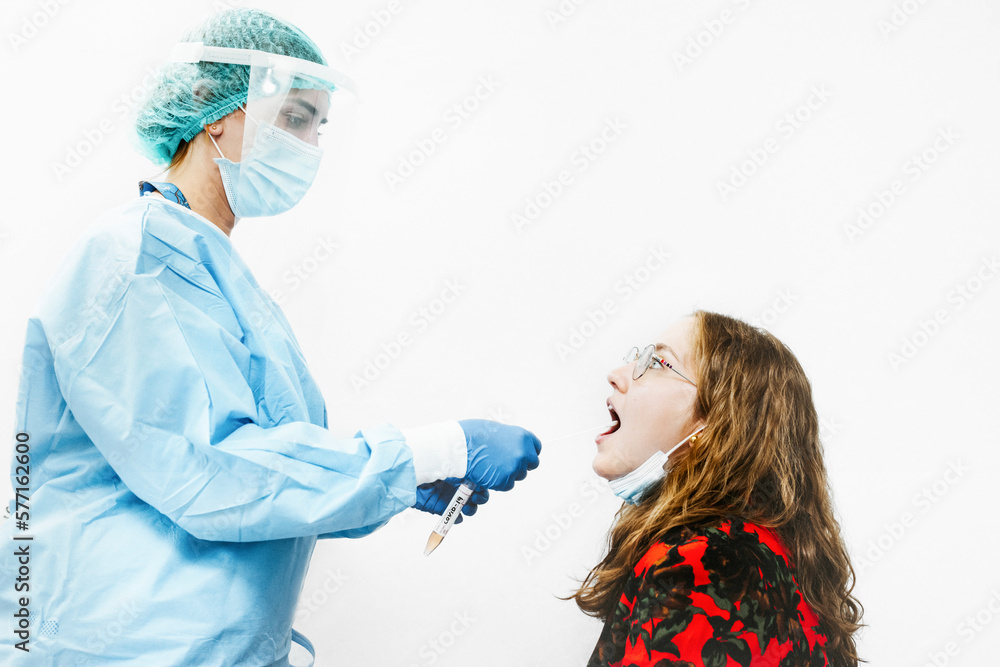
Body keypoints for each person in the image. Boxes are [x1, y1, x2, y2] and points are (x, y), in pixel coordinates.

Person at [0, 9, 540, 666]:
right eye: (292, 118)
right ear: (211, 109)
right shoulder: (138, 258)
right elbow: (212, 465)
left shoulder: (209, 268)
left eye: (317, 125)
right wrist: (428, 449)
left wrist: (393, 482)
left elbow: (263, 477)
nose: (308, 144)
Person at [573, 311, 863, 666]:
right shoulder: (761, 550)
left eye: (660, 363)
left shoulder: (701, 563)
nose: (617, 375)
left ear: (719, 425)